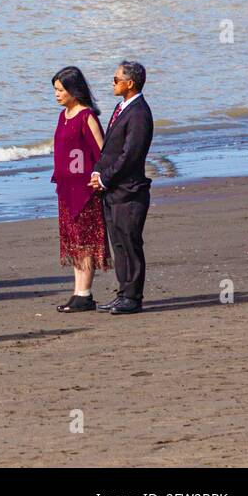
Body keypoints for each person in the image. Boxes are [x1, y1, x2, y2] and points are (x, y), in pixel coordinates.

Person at [89, 61, 154, 315]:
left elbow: (131, 156)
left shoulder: (139, 113)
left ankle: (133, 297)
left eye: (116, 79)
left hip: (130, 191)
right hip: (114, 191)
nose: (112, 83)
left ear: (130, 83)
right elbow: (110, 149)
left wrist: (105, 178)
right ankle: (123, 293)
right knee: (118, 244)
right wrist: (98, 171)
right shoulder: (121, 107)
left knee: (130, 243)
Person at [50, 67, 110, 313]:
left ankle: (84, 294)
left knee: (85, 242)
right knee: (73, 242)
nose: (57, 94)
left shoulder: (87, 117)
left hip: (85, 193)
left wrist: (100, 178)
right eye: (55, 90)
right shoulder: (64, 115)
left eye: (61, 90)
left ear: (74, 90)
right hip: (66, 191)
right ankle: (78, 292)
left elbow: (103, 152)